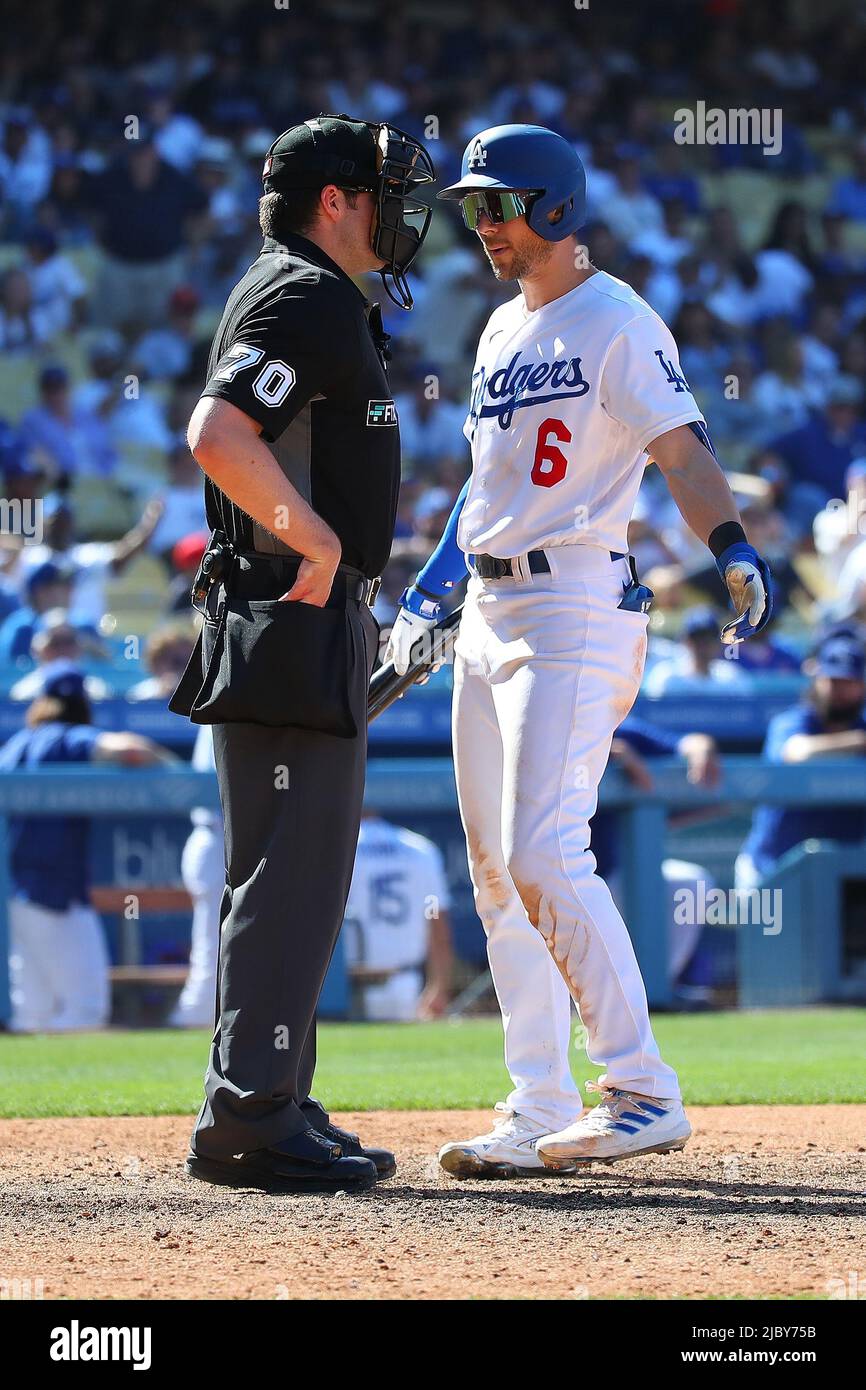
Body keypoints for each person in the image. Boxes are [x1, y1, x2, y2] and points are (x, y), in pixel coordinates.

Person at [386, 123, 773, 1176]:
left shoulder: (614, 319)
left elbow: (681, 452)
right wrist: (430, 591)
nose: (480, 227)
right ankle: (535, 1102)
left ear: (554, 208)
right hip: (486, 614)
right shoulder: (500, 331)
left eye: (495, 206)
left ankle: (641, 1089)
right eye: (471, 208)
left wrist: (730, 544)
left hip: (573, 606)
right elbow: (486, 484)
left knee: (542, 852)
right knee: (493, 870)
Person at [171, 113, 435, 1195]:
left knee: (283, 871)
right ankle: (248, 1117)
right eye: (380, 191)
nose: (398, 211)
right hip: (296, 609)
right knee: (292, 872)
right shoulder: (306, 293)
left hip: (285, 612)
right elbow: (215, 432)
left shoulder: (296, 287)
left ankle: (269, 1094)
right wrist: (316, 538)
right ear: (335, 200)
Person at [0, 662, 176, 1032]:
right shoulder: (66, 737)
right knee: (86, 1008)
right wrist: (177, 772)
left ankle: (32, 1090)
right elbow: (129, 749)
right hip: (56, 894)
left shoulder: (16, 745)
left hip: (14, 893)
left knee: (33, 1012)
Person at [736, 632, 866, 890]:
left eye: (847, 682)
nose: (838, 690)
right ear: (817, 680)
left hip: (842, 879)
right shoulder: (794, 721)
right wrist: (859, 743)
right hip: (771, 868)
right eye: (832, 680)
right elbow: (795, 753)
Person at [341, 811, 454, 1021]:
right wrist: (438, 985)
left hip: (346, 985)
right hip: (404, 984)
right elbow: (435, 921)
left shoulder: (340, 848)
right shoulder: (420, 849)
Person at [168, 725, 224, 1028]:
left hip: (217, 839)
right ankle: (194, 1015)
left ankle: (199, 1013)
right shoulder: (220, 702)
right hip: (214, 836)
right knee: (214, 939)